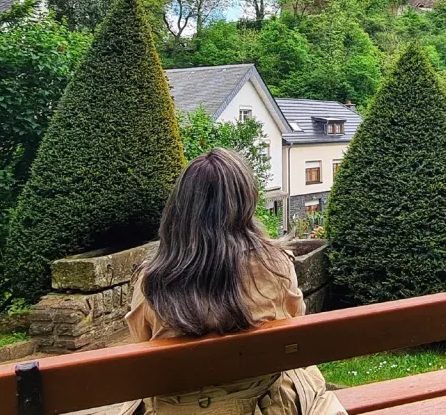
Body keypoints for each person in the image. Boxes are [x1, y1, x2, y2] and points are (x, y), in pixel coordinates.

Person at [117, 148, 347, 415]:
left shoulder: (152, 281)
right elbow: (294, 330)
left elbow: (142, 353)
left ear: (180, 209)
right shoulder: (275, 266)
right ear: (245, 203)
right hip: (266, 407)